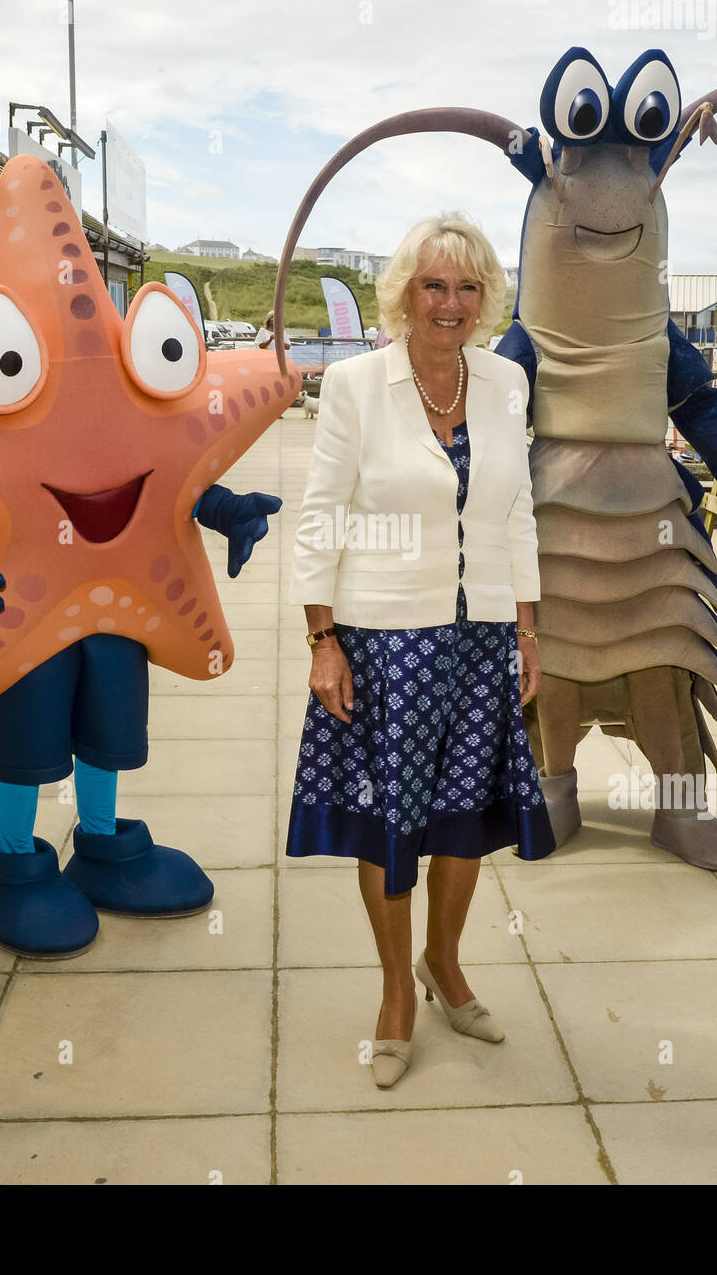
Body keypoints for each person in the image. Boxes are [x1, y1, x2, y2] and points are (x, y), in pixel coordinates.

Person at [286, 211, 553, 1089]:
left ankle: (446, 962)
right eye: (433, 285)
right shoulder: (358, 384)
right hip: (383, 634)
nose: (450, 303)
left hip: (480, 635)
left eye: (467, 287)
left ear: (486, 298)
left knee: (463, 818)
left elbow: (516, 511)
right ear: (404, 294)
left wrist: (527, 625)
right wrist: (324, 640)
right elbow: (321, 511)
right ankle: (397, 993)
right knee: (390, 820)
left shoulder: (507, 382)